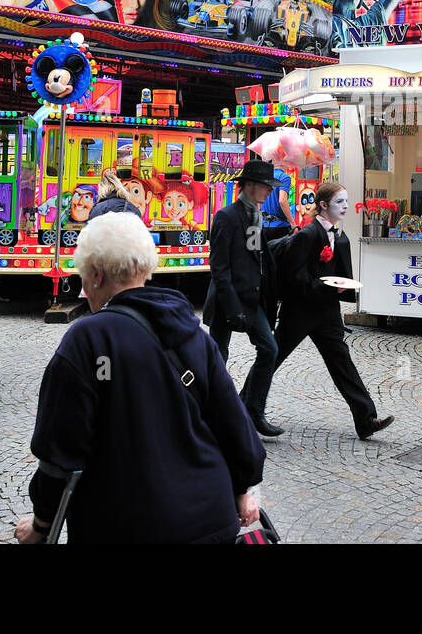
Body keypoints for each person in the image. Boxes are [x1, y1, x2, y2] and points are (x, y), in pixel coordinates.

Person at [14, 213, 265, 543]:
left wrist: (41, 525)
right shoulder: (193, 332)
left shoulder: (88, 339)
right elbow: (235, 425)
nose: (84, 292)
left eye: (83, 280)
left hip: (124, 526)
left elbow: (60, 453)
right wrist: (243, 487)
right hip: (210, 519)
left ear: (96, 276)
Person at [268, 182, 394, 439]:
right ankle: (238, 409)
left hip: (327, 312)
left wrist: (338, 289)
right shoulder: (306, 235)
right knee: (271, 359)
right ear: (323, 205)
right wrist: (327, 288)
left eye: (347, 201)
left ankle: (366, 419)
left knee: (342, 363)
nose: (346, 206)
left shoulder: (340, 237)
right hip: (300, 311)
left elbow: (339, 274)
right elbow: (294, 278)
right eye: (340, 202)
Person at [205, 160, 283, 437]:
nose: (269, 192)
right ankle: (207, 415)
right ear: (249, 186)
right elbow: (220, 267)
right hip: (228, 299)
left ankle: (253, 411)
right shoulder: (227, 216)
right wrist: (231, 307)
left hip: (251, 299)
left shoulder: (256, 216)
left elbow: (254, 256)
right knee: (216, 358)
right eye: (265, 187)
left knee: (269, 349)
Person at [259, 166, 296, 329]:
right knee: (280, 269)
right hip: (280, 227)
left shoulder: (264, 176)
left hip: (264, 226)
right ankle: (281, 313)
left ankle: (266, 313)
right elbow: (282, 200)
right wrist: (293, 223)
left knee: (265, 269)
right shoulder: (285, 177)